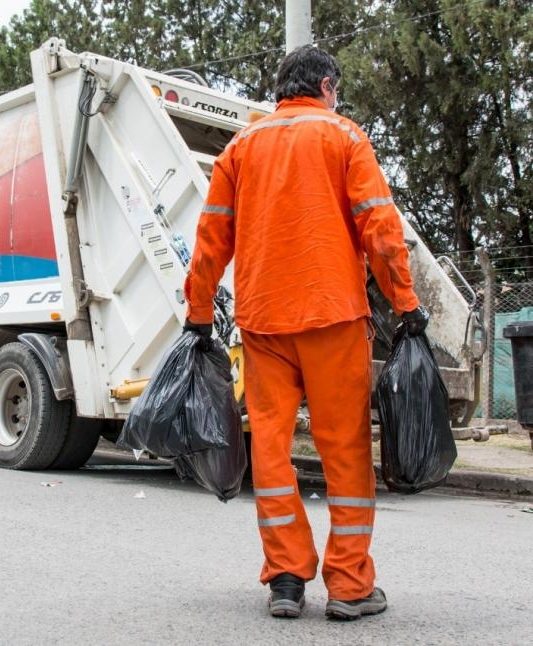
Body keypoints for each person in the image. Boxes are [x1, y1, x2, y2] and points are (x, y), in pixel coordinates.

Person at [183, 45, 429, 620]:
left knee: (269, 449)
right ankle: (348, 585)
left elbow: (211, 240)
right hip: (333, 318)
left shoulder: (240, 149)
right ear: (325, 85)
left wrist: (198, 313)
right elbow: (380, 226)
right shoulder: (343, 136)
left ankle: (287, 579)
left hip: (264, 321)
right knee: (344, 451)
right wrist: (406, 304)